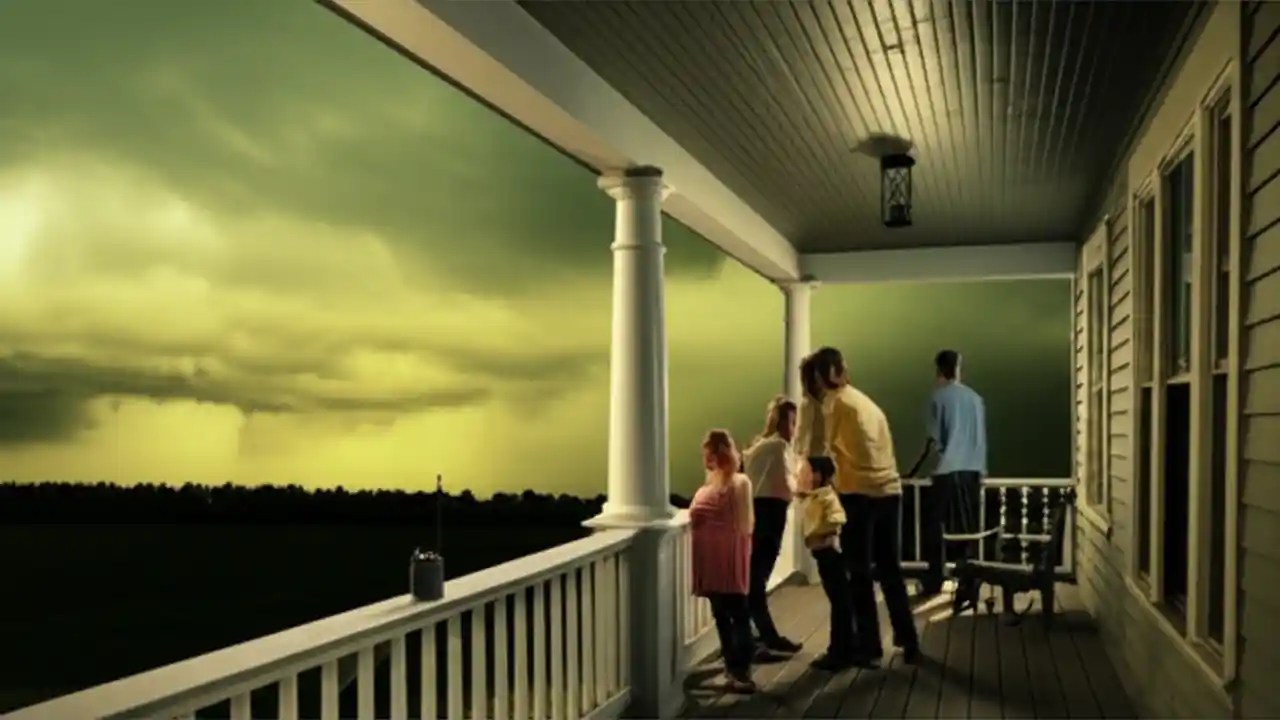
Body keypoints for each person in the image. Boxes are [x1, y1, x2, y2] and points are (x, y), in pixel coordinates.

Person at [812, 346, 921, 667]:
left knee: (858, 572)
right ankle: (909, 640)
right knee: (890, 571)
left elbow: (826, 451)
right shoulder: (866, 402)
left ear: (824, 375)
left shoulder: (835, 403)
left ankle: (870, 645)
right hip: (890, 491)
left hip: (860, 494)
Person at [906, 350, 988, 596]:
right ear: (959, 368)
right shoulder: (976, 399)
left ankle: (934, 581)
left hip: (947, 471)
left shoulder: (938, 398)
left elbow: (933, 442)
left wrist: (912, 472)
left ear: (938, 370)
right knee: (968, 529)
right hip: (973, 471)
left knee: (934, 527)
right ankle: (968, 583)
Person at [689, 429, 756, 693]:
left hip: (726, 559)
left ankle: (740, 672)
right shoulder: (716, 486)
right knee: (726, 615)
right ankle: (734, 669)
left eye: (709, 454)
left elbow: (744, 524)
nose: (706, 459)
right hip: (713, 559)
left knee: (735, 615)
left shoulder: (738, 483)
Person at [741, 396, 803, 654]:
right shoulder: (779, 447)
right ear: (781, 422)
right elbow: (792, 482)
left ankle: (754, 635)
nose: (795, 428)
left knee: (754, 578)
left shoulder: (758, 446)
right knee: (757, 580)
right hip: (770, 515)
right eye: (792, 422)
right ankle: (765, 637)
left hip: (755, 512)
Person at [798, 455, 856, 670]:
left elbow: (837, 518)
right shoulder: (817, 495)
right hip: (823, 554)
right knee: (838, 601)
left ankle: (840, 651)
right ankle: (842, 648)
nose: (804, 476)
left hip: (829, 553)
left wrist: (819, 534)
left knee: (839, 601)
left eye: (808, 471)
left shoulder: (825, 496)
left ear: (820, 475)